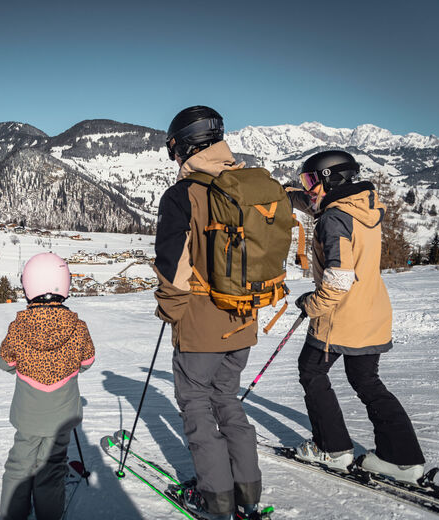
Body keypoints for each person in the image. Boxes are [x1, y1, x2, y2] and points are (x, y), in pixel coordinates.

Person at [289, 150, 426, 482]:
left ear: (329, 180)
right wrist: (285, 195)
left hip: (341, 317)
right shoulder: (364, 205)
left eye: (310, 180)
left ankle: (332, 448)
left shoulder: (334, 219)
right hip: (371, 311)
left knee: (311, 371)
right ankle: (402, 458)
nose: (307, 188)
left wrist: (311, 303)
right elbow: (319, 203)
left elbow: (338, 279)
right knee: (367, 381)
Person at [154, 106, 263, 520]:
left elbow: (173, 267)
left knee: (197, 408)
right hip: (245, 318)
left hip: (202, 323)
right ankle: (247, 494)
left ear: (181, 147)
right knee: (228, 402)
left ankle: (214, 499)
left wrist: (171, 311)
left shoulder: (184, 194)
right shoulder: (248, 185)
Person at [0, 253, 95, 520]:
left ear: (28, 286)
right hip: (62, 415)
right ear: (64, 284)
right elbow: (87, 361)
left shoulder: (19, 327)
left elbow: (5, 362)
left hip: (28, 415)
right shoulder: (77, 327)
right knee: (52, 467)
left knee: (19, 465)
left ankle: (12, 514)